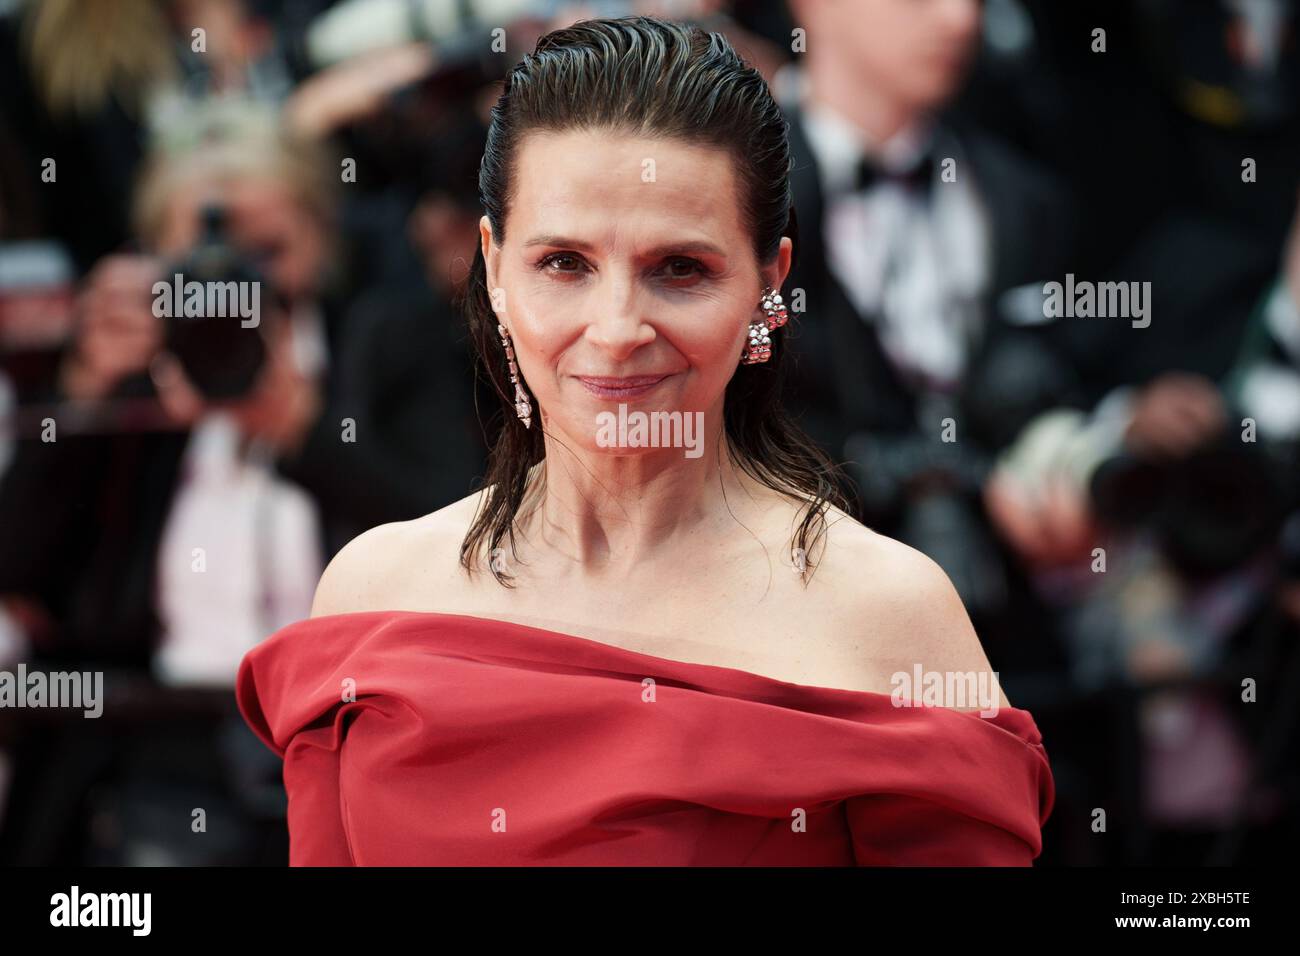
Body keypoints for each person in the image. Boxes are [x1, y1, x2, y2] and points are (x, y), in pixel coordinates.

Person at [236, 15, 1055, 866]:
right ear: (493, 267)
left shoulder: (887, 616)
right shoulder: (372, 595)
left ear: (769, 282)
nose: (619, 327)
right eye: (564, 263)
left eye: (681, 269)